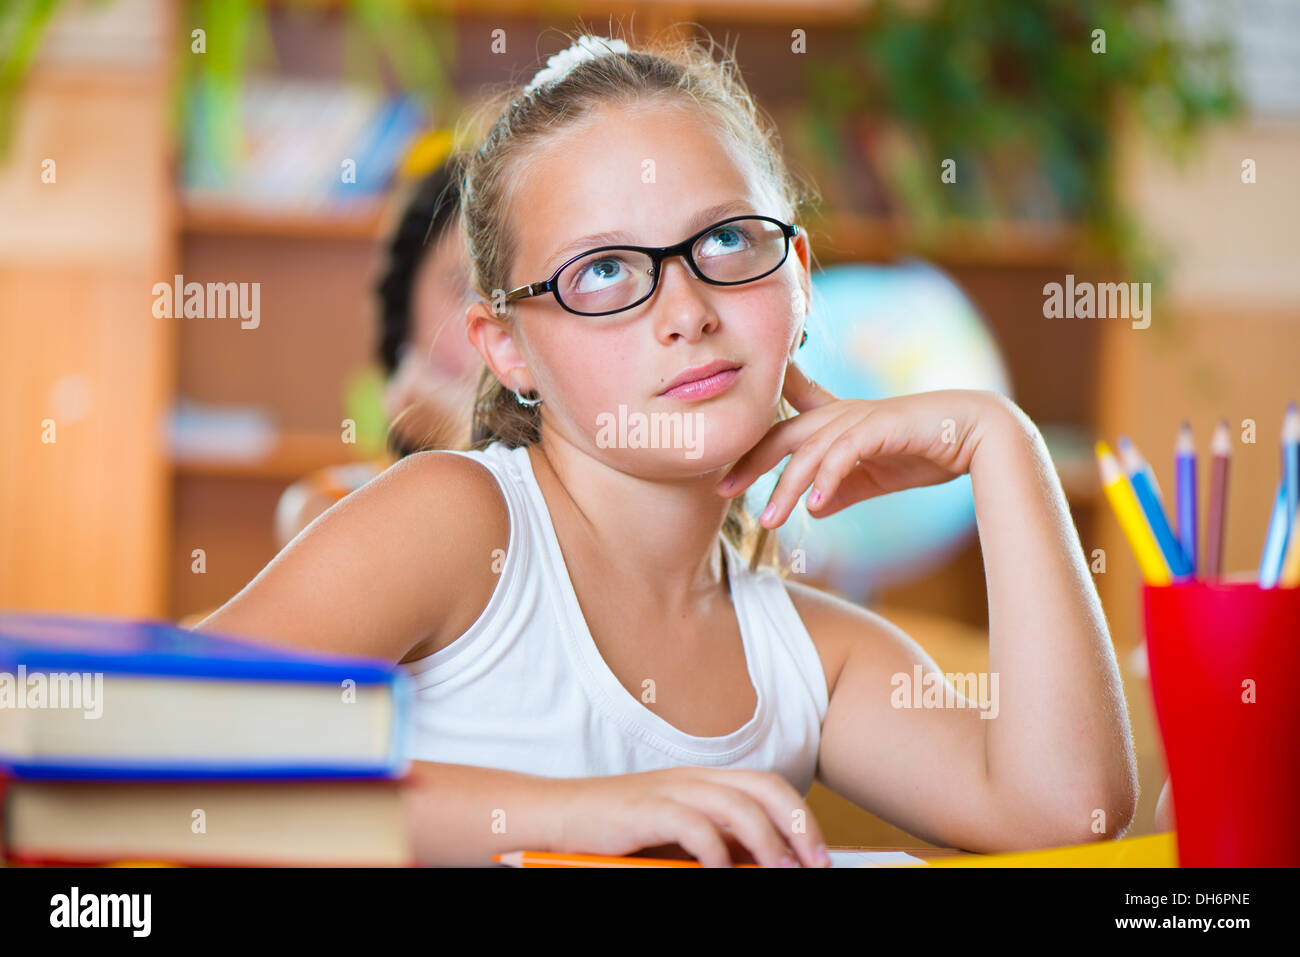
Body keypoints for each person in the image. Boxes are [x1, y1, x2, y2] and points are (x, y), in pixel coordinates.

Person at [196, 31, 1137, 867]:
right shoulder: (458, 522)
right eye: (604, 269)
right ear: (507, 348)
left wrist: (1001, 443)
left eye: (726, 239)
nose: (686, 310)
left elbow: (1065, 811)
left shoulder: (812, 656)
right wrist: (576, 815)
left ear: (800, 283)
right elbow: (161, 735)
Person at [273, 159, 480, 549]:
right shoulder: (329, 505)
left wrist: (466, 429)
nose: (495, 324)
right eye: (467, 291)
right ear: (404, 310)